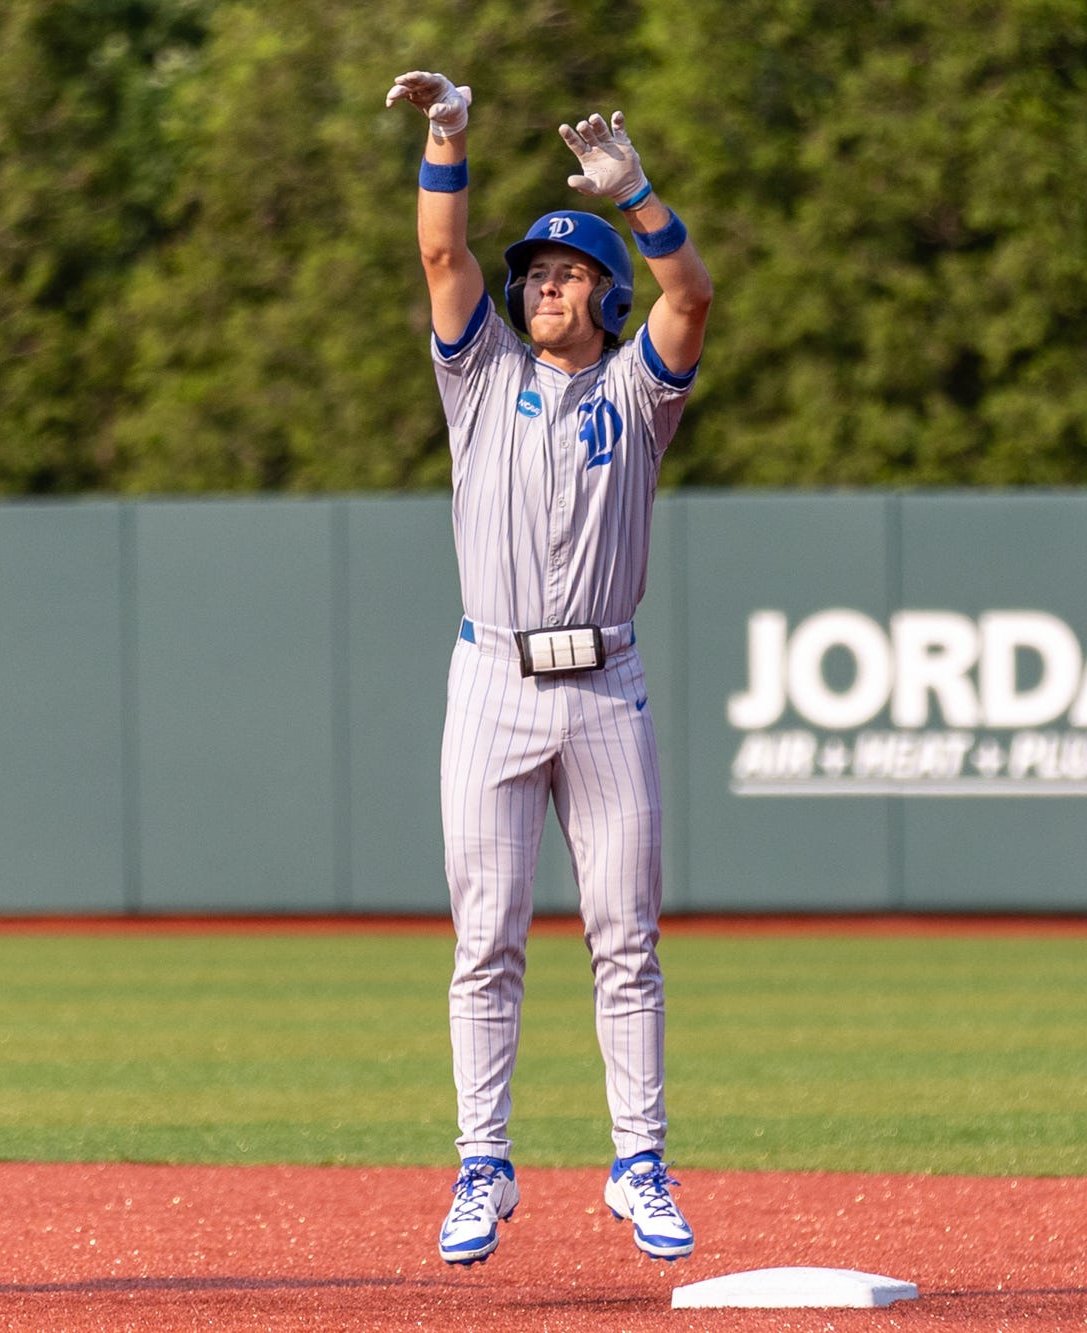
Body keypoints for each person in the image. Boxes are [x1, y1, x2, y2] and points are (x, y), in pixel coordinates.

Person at [383, 69, 712, 1267]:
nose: (541, 284)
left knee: (623, 935)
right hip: (494, 683)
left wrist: (636, 197)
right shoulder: (481, 378)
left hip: (605, 687)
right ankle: (483, 1163)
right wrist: (448, 130)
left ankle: (638, 1161)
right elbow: (438, 253)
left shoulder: (637, 390)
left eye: (564, 272)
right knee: (487, 936)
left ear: (601, 293)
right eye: (534, 272)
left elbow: (692, 292)